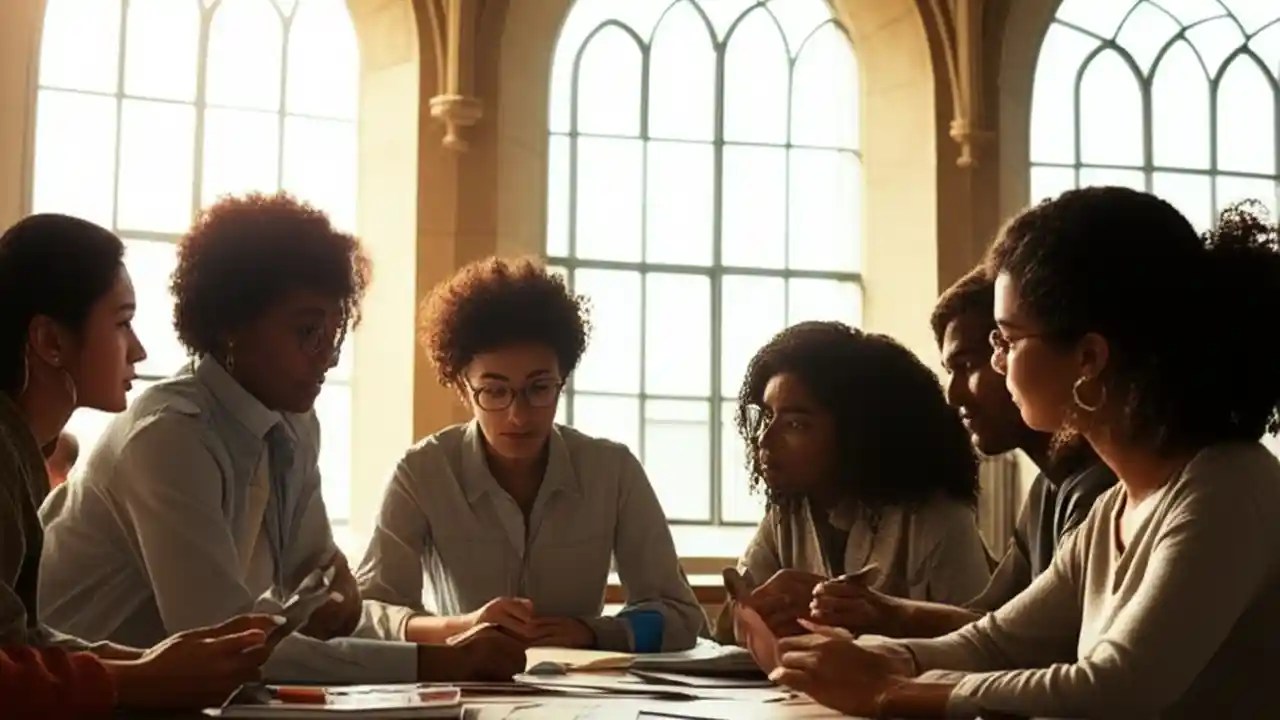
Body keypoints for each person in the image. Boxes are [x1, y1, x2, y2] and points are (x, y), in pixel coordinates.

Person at [771, 189, 1280, 719]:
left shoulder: (1228, 486)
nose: (996, 365)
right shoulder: (1115, 509)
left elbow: (1117, 687)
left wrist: (888, 691)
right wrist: (875, 656)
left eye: (1008, 341)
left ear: (1088, 358)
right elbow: (995, 641)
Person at [37, 194, 524, 684]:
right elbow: (226, 647)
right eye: (308, 331)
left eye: (334, 335)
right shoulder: (167, 436)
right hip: (76, 702)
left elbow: (321, 588)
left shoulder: (293, 425)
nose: (329, 359)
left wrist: (344, 603)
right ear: (230, 323)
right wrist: (439, 660)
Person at [0, 213, 279, 713]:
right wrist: (143, 678)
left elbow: (23, 643)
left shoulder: (19, 451)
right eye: (122, 322)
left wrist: (157, 664)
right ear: (50, 342)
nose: (140, 350)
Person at [355, 257, 705, 652]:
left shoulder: (613, 471)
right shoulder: (422, 472)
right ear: (462, 388)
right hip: (464, 691)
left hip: (581, 698)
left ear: (562, 381)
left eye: (539, 388)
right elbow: (366, 613)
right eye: (495, 391)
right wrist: (459, 627)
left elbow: (680, 615)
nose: (518, 415)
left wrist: (591, 632)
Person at [807, 269, 1116, 638]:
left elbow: (1041, 642)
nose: (952, 397)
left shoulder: (1101, 485)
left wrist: (887, 615)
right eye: (949, 371)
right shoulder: (1046, 489)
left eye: (969, 365)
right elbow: (989, 619)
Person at [714, 321, 993, 644]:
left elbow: (986, 643)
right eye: (766, 416)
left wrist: (883, 618)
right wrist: (746, 616)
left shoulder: (936, 519)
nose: (764, 438)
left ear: (859, 433)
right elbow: (725, 627)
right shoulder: (788, 513)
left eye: (795, 423)